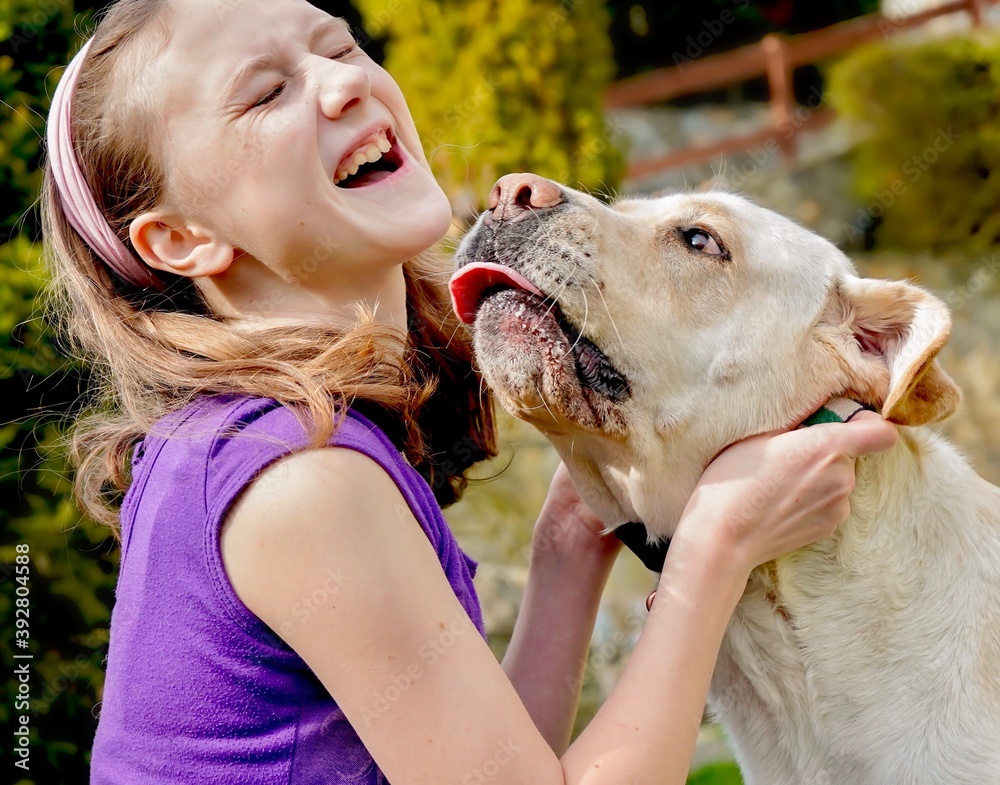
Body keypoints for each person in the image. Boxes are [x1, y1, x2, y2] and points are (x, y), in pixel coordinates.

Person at [41, 1, 899, 783]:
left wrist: (568, 547)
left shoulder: (262, 439)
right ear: (182, 239)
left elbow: (487, 759)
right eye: (266, 93)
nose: (344, 82)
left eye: (339, 44)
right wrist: (716, 547)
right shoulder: (297, 479)